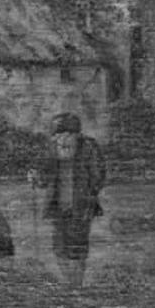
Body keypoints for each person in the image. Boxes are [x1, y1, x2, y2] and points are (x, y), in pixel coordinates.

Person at [33, 112, 106, 287]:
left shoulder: (89, 147)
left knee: (77, 247)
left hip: (80, 207)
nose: (63, 139)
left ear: (77, 135)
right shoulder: (50, 149)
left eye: (68, 134)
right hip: (57, 207)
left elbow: (98, 176)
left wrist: (88, 195)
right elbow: (43, 178)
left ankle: (76, 285)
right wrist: (36, 177)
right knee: (58, 247)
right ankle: (69, 284)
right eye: (58, 134)